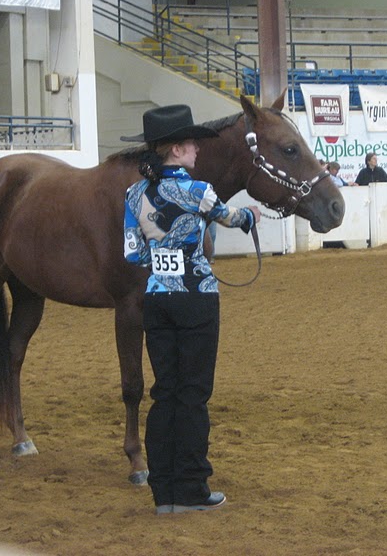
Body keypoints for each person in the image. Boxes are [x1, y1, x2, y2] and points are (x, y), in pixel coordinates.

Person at [122, 104, 261, 515]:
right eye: (193, 145)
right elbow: (229, 216)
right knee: (193, 394)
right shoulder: (198, 191)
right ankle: (193, 486)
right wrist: (250, 218)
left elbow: (132, 255)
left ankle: (163, 490)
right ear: (178, 149)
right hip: (196, 298)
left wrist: (161, 252)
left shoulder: (133, 194)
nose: (198, 150)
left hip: (157, 298)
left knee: (164, 393)